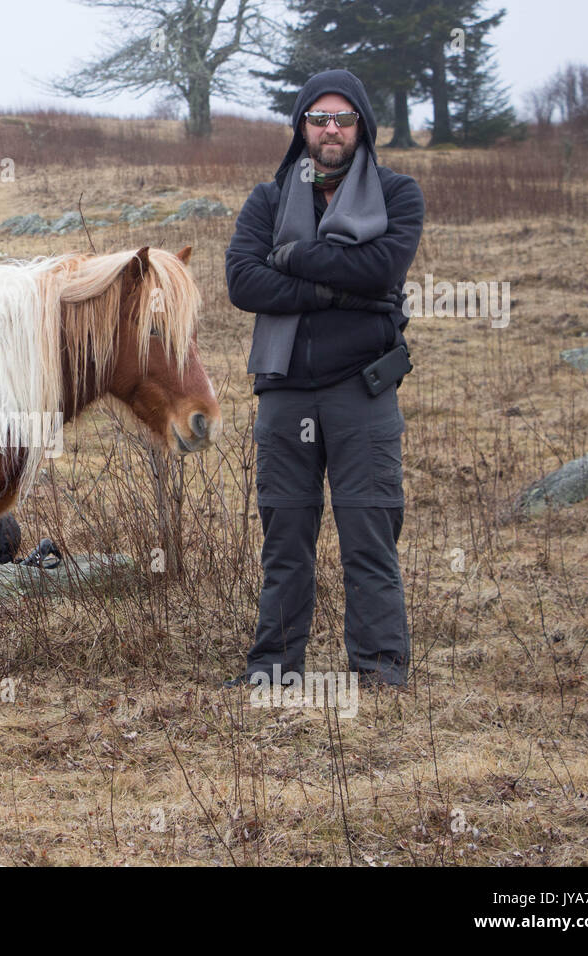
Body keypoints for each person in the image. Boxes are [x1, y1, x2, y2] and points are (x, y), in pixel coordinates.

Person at [224, 69, 424, 688]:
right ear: (301, 127)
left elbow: (384, 267)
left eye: (341, 118)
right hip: (284, 389)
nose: (330, 129)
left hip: (362, 389)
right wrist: (339, 286)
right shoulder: (267, 200)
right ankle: (276, 669)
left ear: (360, 125)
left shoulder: (397, 193)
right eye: (318, 118)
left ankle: (379, 670)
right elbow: (243, 283)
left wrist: (294, 262)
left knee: (368, 531)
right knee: (285, 540)